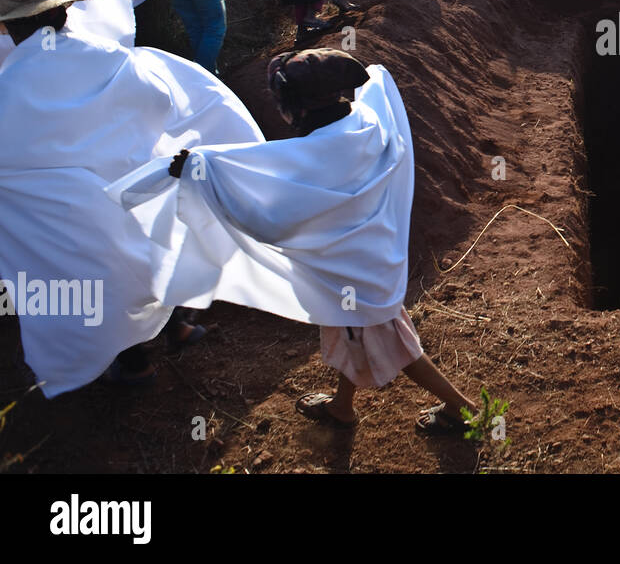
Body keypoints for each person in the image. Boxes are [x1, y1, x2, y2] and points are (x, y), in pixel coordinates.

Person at [124, 48, 483, 434]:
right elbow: (373, 91)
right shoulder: (364, 122)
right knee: (354, 329)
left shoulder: (310, 156)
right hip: (371, 261)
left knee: (393, 342)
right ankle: (342, 408)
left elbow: (268, 221)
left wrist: (200, 170)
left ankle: (462, 410)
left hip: (356, 277)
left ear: (294, 105)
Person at [0, 0, 262, 394]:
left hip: (78, 210)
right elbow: (158, 100)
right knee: (156, 250)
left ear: (14, 29)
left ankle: (136, 364)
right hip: (138, 185)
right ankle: (178, 328)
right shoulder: (111, 56)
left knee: (92, 274)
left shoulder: (10, 85)